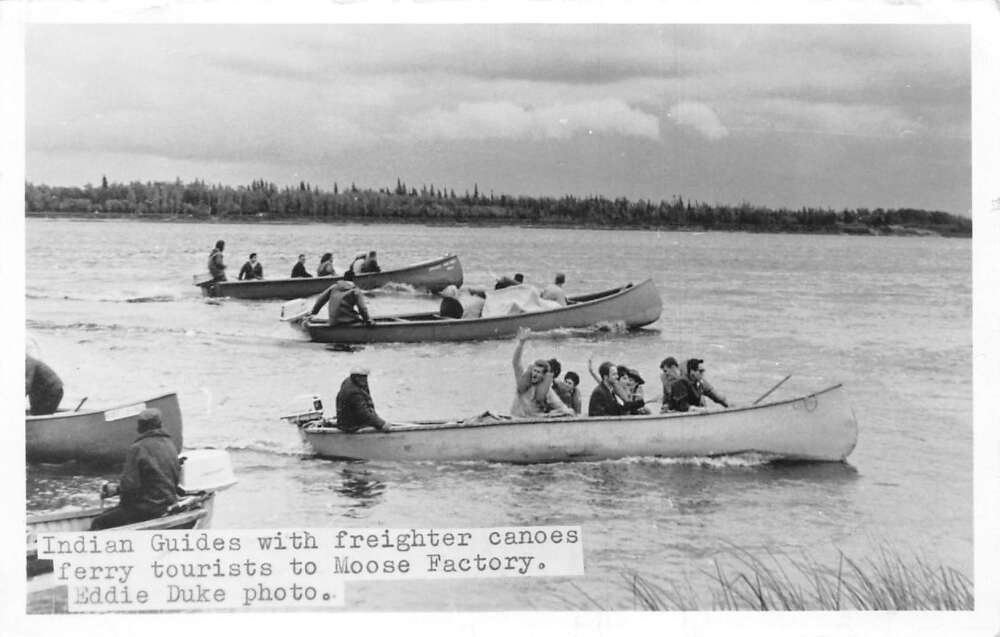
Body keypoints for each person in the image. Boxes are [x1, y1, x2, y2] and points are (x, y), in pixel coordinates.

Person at [90, 408, 181, 530]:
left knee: (98, 522)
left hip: (146, 510)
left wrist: (114, 490)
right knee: (112, 514)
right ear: (161, 424)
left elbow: (129, 486)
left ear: (140, 427)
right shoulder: (170, 445)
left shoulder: (138, 449)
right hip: (168, 505)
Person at [510, 327, 574, 418]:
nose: (535, 374)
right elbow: (516, 362)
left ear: (543, 376)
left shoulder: (546, 390)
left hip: (532, 421)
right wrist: (521, 343)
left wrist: (567, 412)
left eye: (538, 372)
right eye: (534, 371)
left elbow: (561, 406)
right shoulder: (523, 380)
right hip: (516, 419)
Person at [335, 366, 390, 432]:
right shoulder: (354, 392)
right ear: (355, 377)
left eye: (365, 377)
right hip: (351, 427)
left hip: (345, 423)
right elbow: (363, 413)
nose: (365, 379)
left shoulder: (349, 382)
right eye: (362, 377)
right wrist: (381, 424)